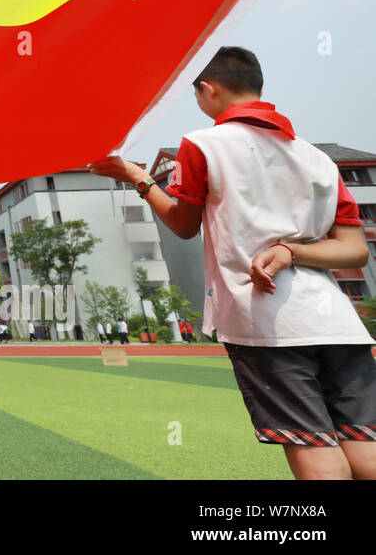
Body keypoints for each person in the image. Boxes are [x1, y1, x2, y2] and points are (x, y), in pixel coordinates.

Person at [91, 46, 376, 479]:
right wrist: (295, 250)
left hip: (267, 323)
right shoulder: (317, 157)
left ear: (209, 89)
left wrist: (137, 177)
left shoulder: (202, 145)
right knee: (362, 440)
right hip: (338, 321)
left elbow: (184, 225)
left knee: (311, 444)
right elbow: (355, 249)